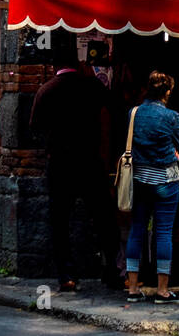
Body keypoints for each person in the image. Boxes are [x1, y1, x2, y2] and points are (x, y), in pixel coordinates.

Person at [30, 52, 122, 293]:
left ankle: (66, 276)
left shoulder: (46, 90)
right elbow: (115, 108)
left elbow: (35, 127)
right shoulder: (92, 85)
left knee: (60, 221)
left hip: (60, 164)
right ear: (78, 64)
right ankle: (111, 271)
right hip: (90, 161)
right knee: (103, 218)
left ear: (54, 67)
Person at [125, 71, 179, 304]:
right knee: (163, 232)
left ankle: (132, 288)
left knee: (137, 230)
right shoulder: (172, 116)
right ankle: (162, 291)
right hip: (166, 180)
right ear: (167, 92)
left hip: (140, 178)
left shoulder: (134, 113)